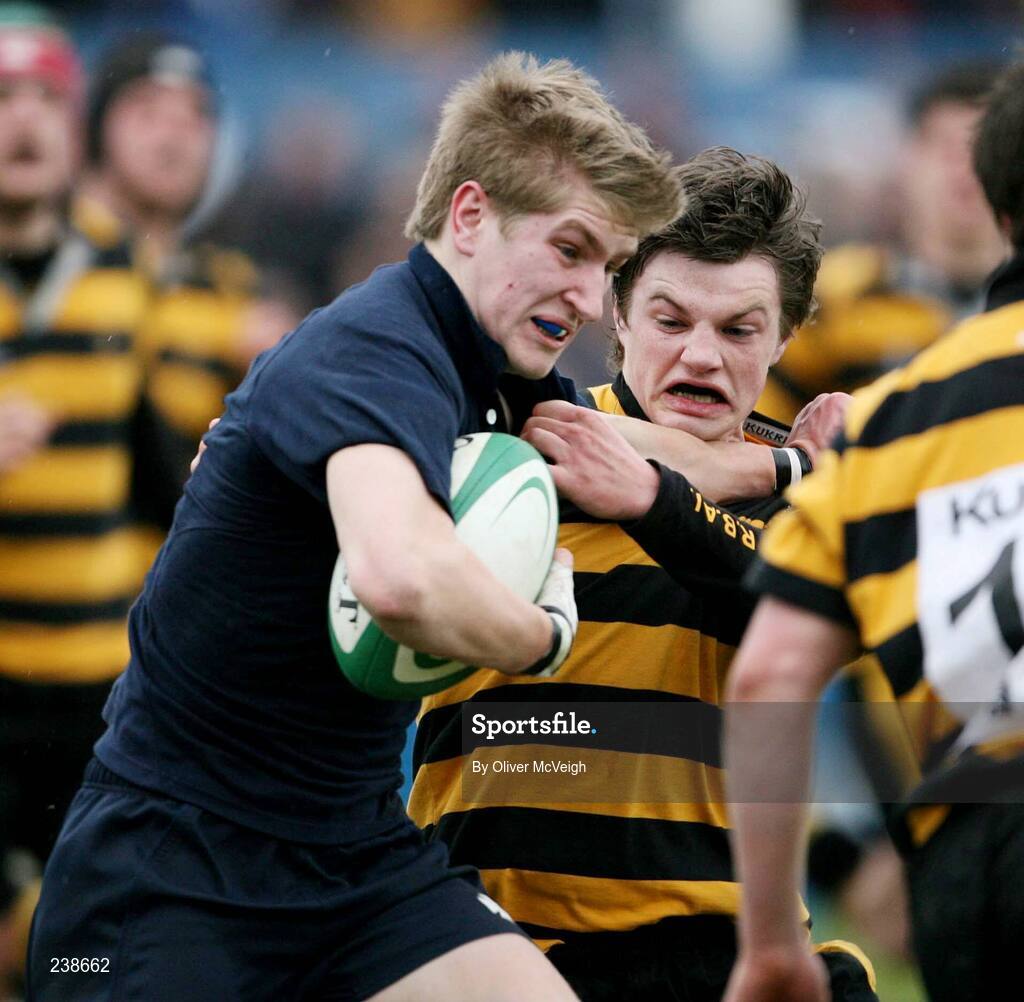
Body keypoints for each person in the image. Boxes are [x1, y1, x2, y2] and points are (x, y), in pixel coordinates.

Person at [27, 52, 683, 1001]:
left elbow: (634, 452)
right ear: (469, 217)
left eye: (611, 268)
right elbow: (402, 580)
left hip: (357, 859)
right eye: (571, 250)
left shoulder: (492, 367)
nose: (590, 298)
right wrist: (540, 636)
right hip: (174, 869)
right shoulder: (375, 348)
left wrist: (787, 463)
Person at [407, 147, 876, 1002]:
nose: (700, 356)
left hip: (724, 954)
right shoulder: (503, 442)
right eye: (670, 320)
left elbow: (791, 613)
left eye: (738, 330)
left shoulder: (817, 491)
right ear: (617, 312)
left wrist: (656, 504)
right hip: (509, 950)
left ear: (788, 334)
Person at [723, 60, 1024, 1002]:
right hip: (886, 651)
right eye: (941, 144)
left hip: (975, 794)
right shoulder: (846, 297)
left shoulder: (902, 417)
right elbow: (743, 444)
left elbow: (769, 672)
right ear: (911, 158)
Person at [0, 4, 151, 993]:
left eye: (47, 97)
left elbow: (164, 469)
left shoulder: (124, 269)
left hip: (101, 686)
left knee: (91, 954)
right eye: (2, 98)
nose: (25, 121)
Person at [75, 33, 301, 528]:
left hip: (162, 587)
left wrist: (278, 377)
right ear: (96, 128)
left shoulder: (233, 285)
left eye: (196, 115)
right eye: (147, 109)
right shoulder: (45, 259)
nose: (174, 134)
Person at [758, 59, 1007, 425]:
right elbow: (757, 432)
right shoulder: (825, 295)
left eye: (986, 147)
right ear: (907, 159)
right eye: (946, 146)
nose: (964, 168)